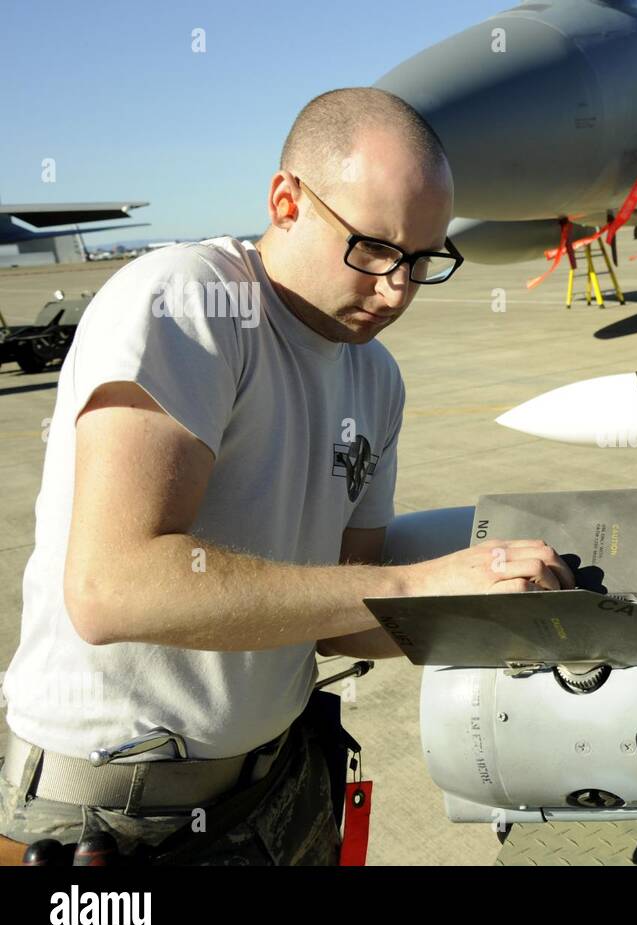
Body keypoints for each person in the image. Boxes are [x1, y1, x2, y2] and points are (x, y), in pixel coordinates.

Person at [0, 87, 573, 866]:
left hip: (276, 786)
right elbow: (112, 585)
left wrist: (494, 613)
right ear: (286, 200)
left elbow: (341, 606)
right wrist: (420, 586)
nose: (397, 288)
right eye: (373, 247)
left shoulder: (375, 377)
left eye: (423, 259)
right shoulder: (190, 304)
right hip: (119, 818)